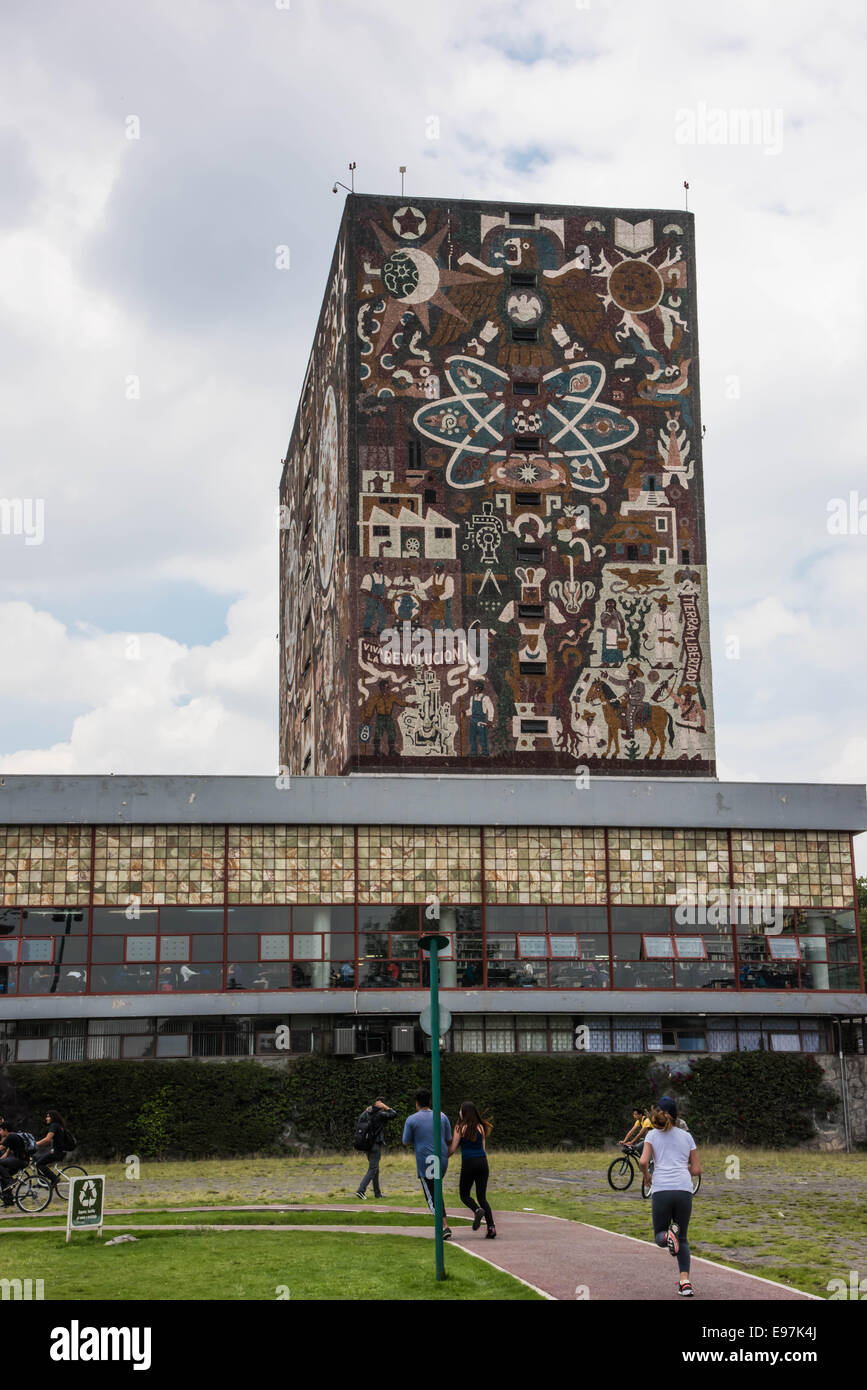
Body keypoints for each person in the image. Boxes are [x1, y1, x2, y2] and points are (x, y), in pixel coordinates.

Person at [638, 1098, 702, 1297]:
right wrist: (683, 1171)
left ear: (657, 1114)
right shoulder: (687, 1136)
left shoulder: (651, 1136)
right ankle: (685, 1283)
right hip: (684, 1189)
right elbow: (697, 1169)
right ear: (676, 1116)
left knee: (660, 1236)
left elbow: (643, 1161)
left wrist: (647, 1176)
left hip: (662, 1189)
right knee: (682, 1238)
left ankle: (668, 1236)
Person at [402, 1087, 452, 1239]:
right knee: (436, 1191)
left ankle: (444, 1226)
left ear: (416, 1103)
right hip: (442, 1159)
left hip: (427, 1161)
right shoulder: (441, 1116)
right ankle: (443, 1225)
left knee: (431, 1196)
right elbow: (448, 1138)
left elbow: (406, 1141)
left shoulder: (412, 1119)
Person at [448, 1101, 496, 1238]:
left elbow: (452, 1149)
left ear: (464, 1112)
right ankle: (491, 1227)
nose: (459, 1112)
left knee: (464, 1195)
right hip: (482, 1162)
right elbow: (483, 1148)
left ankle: (476, 1210)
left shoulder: (459, 1127)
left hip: (468, 1163)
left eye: (460, 1110)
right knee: (482, 1197)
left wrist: (441, 1154)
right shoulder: (481, 1127)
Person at [355, 1097, 397, 1201]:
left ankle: (377, 1193)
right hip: (375, 1145)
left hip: (366, 1144)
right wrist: (386, 1107)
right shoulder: (380, 1114)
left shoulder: (366, 1112)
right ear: (380, 1104)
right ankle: (361, 1190)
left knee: (375, 1169)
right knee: (373, 1169)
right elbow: (394, 1114)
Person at [33, 1109, 71, 1189]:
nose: (46, 1118)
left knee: (39, 1164)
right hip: (60, 1151)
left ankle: (54, 1179)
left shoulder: (54, 1125)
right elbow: (52, 1140)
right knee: (38, 1159)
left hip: (58, 1152)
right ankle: (42, 1182)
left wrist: (35, 1143)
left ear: (52, 1117)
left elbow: (47, 1139)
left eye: (48, 1117)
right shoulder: (60, 1125)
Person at [0, 1123, 27, 1209]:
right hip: (21, 1161)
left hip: (19, 1161)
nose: (0, 1132)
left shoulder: (10, 1136)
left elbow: (1, 1147)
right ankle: (8, 1201)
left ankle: (10, 1180)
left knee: (6, 1178)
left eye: (0, 1130)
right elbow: (6, 1152)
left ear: (5, 1130)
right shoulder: (14, 1136)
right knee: (3, 1177)